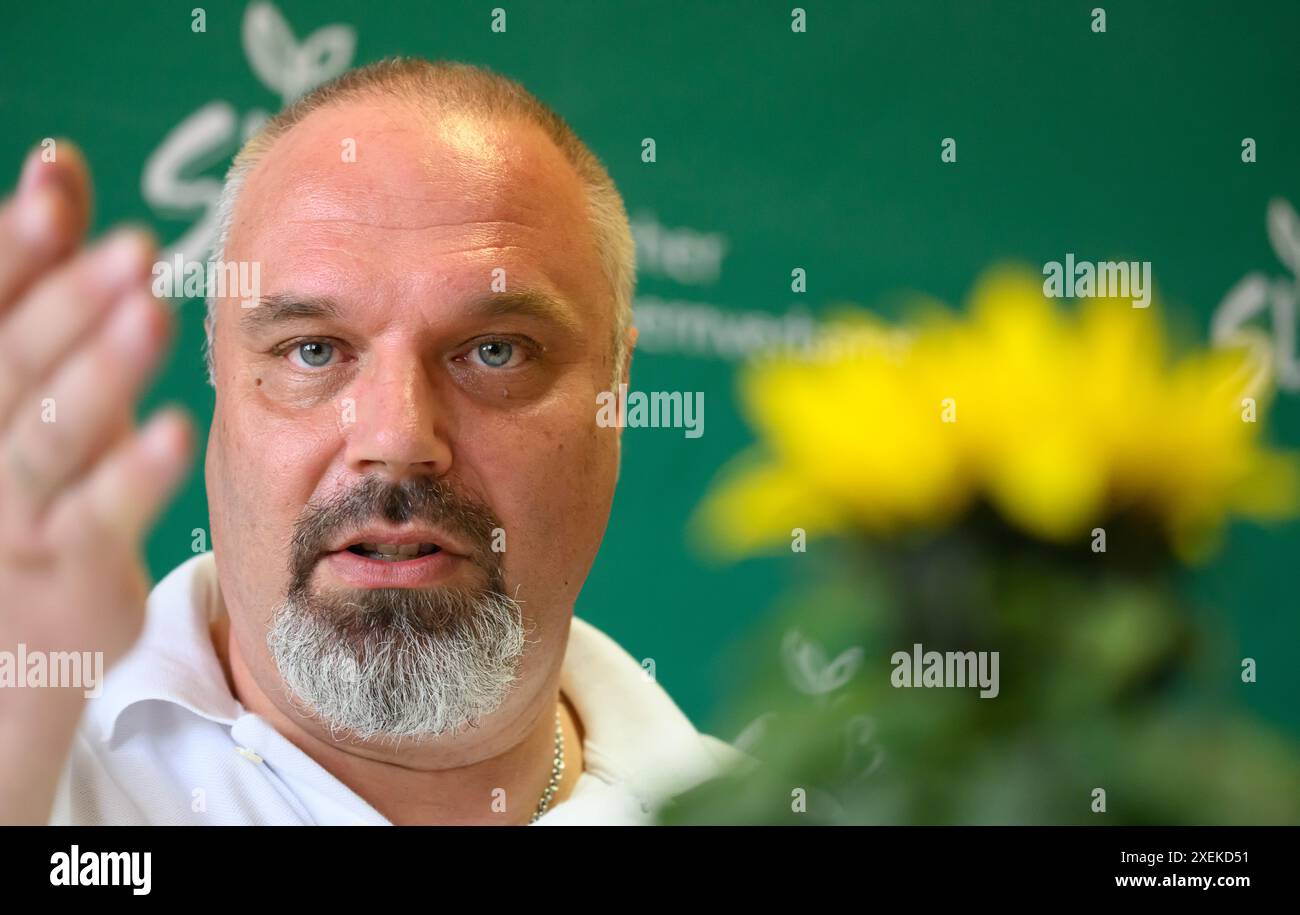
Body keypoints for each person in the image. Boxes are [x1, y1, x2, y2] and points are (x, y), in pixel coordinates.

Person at [0, 57, 748, 825]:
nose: (397, 438)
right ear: (217, 369)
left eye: (496, 352)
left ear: (617, 389)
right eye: (313, 351)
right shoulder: (35, 770)